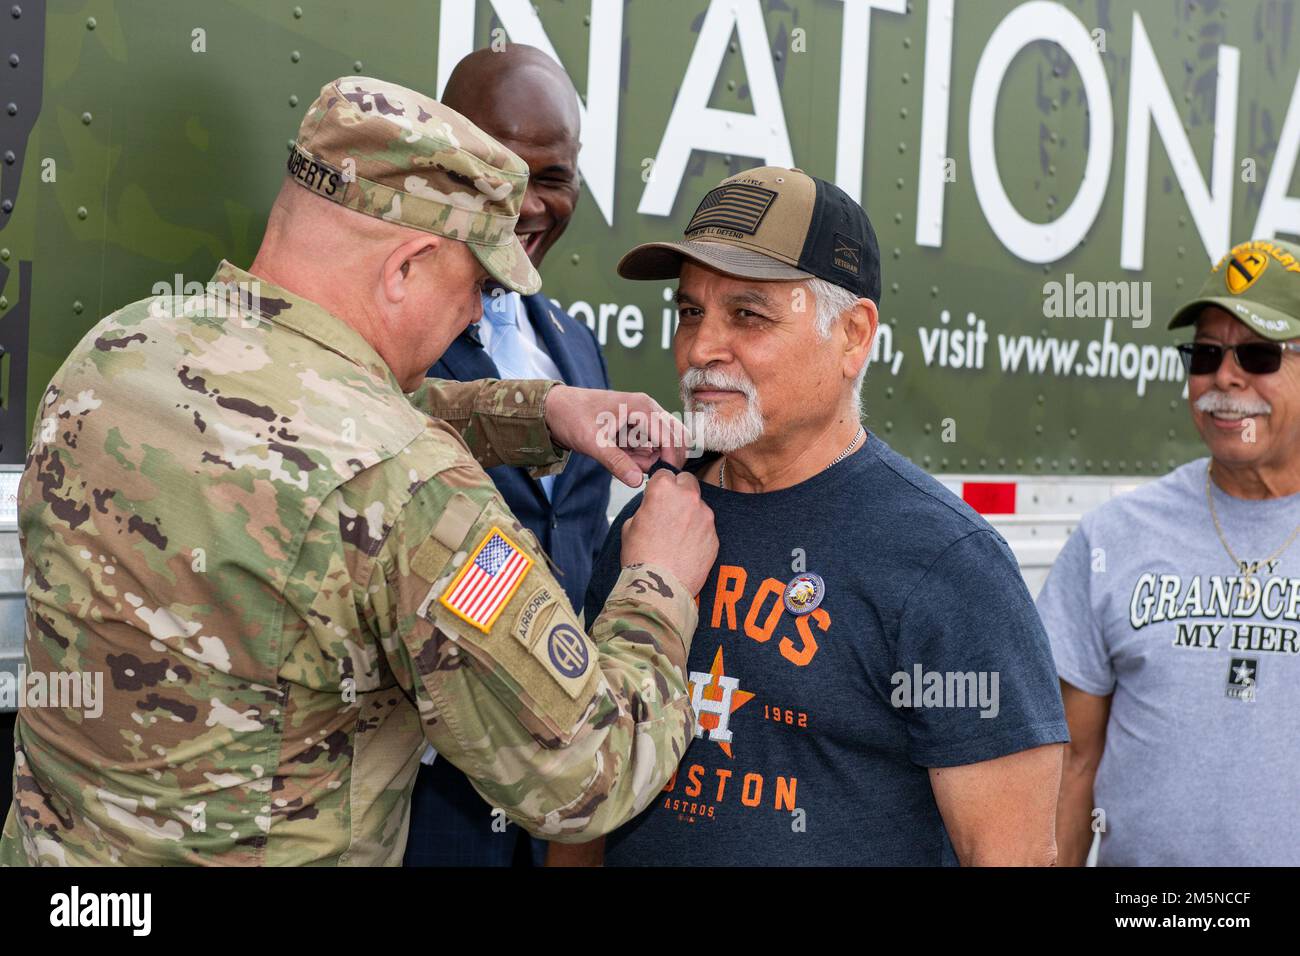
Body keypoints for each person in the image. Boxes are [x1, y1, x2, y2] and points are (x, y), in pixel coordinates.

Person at [0, 76, 716, 866]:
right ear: (405, 266)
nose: (479, 315)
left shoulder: (118, 352)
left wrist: (535, 412)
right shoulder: (414, 490)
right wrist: (658, 585)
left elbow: (298, 419)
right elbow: (585, 772)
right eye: (477, 285)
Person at [549, 166, 1068, 867]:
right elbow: (584, 802)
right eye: (691, 311)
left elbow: (1010, 854)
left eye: (748, 315)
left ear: (853, 336)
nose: (702, 349)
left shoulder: (948, 563)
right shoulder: (651, 529)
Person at [405, 45, 610, 867]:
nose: (524, 202)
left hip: (557, 802)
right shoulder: (385, 342)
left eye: (551, 175)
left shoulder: (574, 347)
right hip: (415, 804)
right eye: (494, 166)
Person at [1044, 238, 1300, 866]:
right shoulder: (1114, 536)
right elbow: (1071, 763)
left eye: (1259, 354)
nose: (1225, 378)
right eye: (1206, 354)